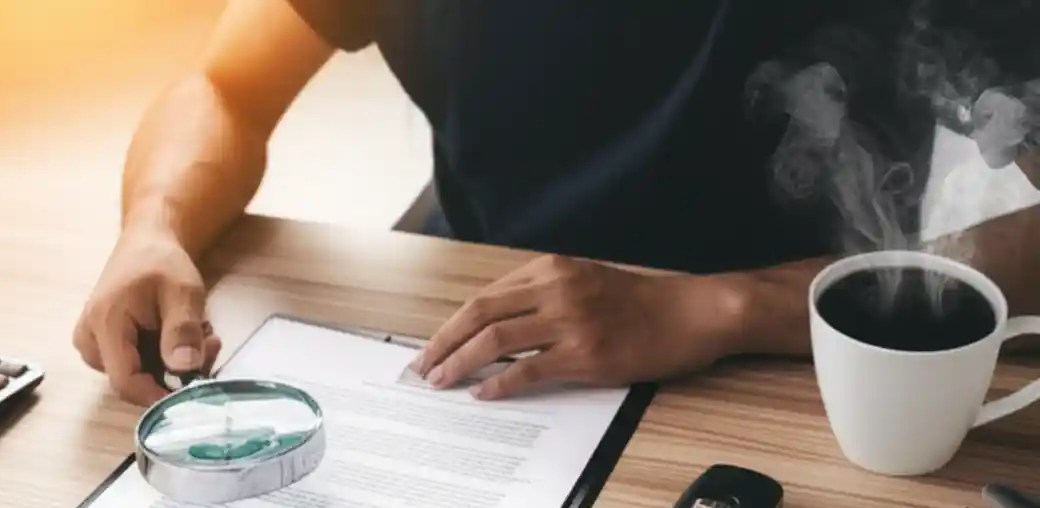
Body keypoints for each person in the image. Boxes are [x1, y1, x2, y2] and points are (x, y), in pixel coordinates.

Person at [74, 0, 1040, 405]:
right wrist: (152, 226)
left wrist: (724, 304)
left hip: (788, 355)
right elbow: (225, 86)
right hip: (469, 317)